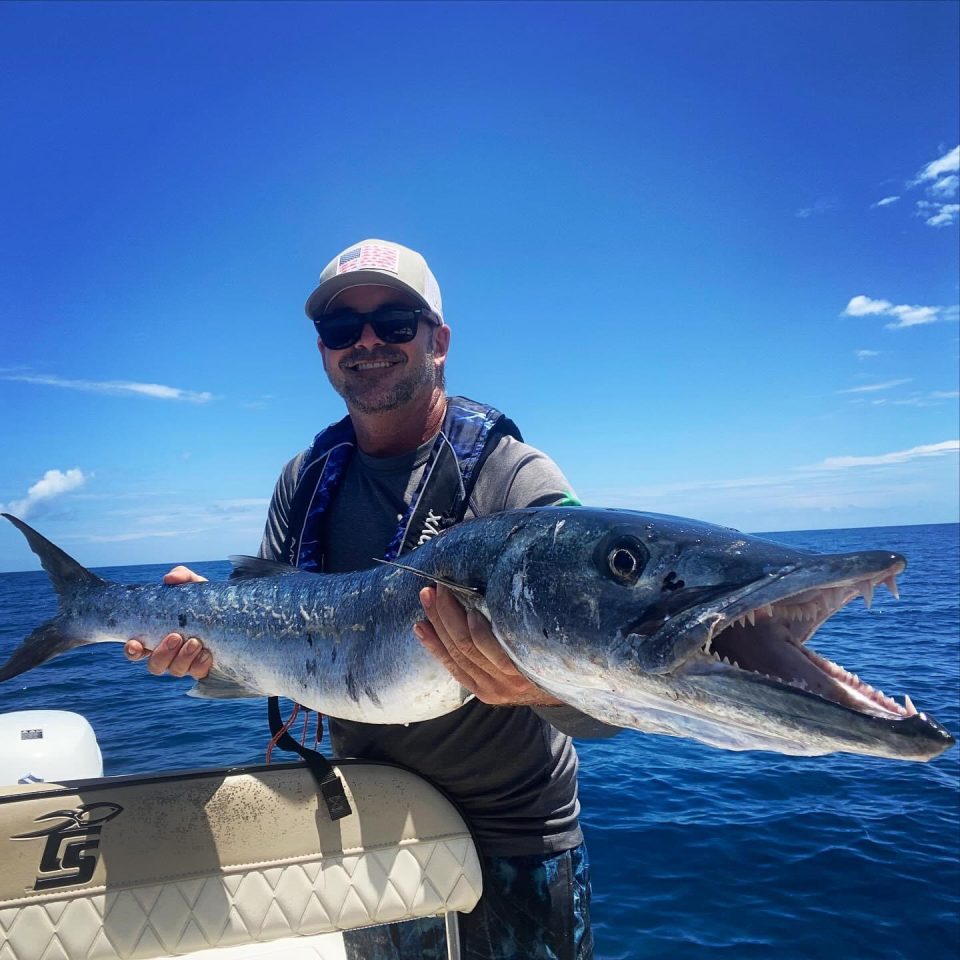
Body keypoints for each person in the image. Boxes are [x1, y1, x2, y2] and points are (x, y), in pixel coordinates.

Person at [125, 239, 616, 960]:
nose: (366, 343)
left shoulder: (515, 478)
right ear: (323, 351)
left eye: (393, 322)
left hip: (514, 832)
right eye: (340, 329)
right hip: (369, 819)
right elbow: (281, 629)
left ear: (438, 341)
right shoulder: (303, 479)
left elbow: (604, 704)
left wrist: (529, 686)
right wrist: (212, 647)